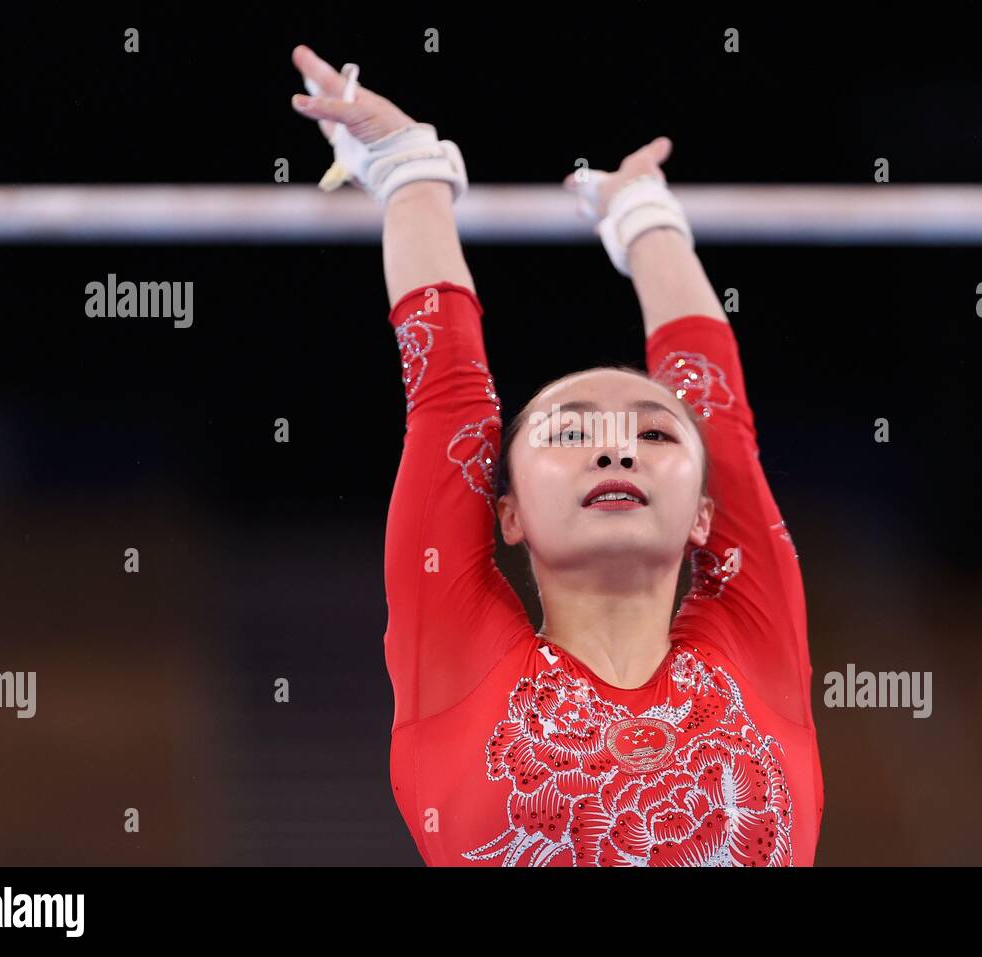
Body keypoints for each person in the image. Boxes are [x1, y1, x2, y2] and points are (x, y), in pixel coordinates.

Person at [291, 43, 823, 866]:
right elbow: (450, 398)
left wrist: (644, 219)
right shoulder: (460, 660)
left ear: (705, 518)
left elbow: (720, 417)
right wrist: (407, 167)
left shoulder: (755, 651)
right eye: (570, 432)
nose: (615, 448)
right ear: (504, 511)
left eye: (652, 433)